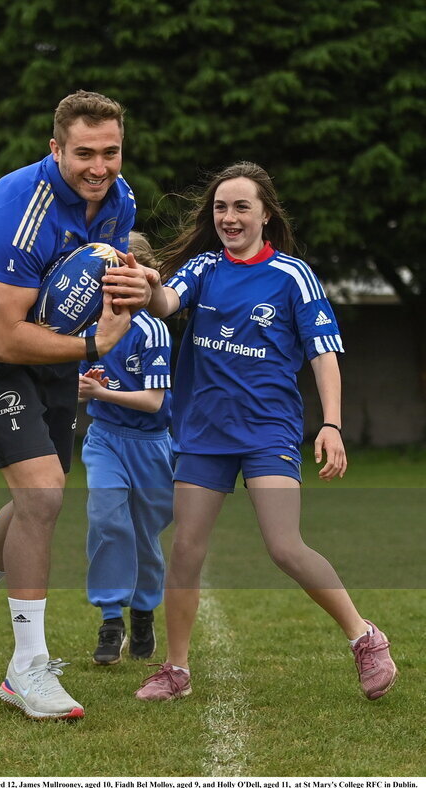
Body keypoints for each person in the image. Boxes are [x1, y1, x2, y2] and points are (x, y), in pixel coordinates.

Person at [135, 161, 396, 701]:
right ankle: (176, 670)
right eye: (220, 208)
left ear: (265, 214)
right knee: (185, 549)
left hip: (267, 430)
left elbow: (324, 355)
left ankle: (364, 636)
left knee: (284, 547)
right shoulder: (203, 267)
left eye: (241, 207)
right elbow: (165, 304)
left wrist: (331, 424)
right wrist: (149, 284)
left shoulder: (293, 276)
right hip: (204, 431)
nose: (228, 217)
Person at [0, 90, 150, 721]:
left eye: (111, 152)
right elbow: (2, 338)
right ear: (55, 149)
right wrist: (93, 344)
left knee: (40, 495)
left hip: (54, 346)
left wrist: (135, 292)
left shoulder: (120, 199)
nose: (99, 168)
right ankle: (27, 667)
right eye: (84, 153)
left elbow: (101, 281)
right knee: (44, 496)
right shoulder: (20, 208)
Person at [77, 231, 174, 666]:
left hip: (150, 446)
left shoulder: (153, 331)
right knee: (106, 518)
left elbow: (153, 402)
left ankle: (143, 610)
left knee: (144, 537)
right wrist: (82, 390)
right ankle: (111, 618)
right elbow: (77, 384)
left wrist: (99, 392)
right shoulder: (87, 327)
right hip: (105, 438)